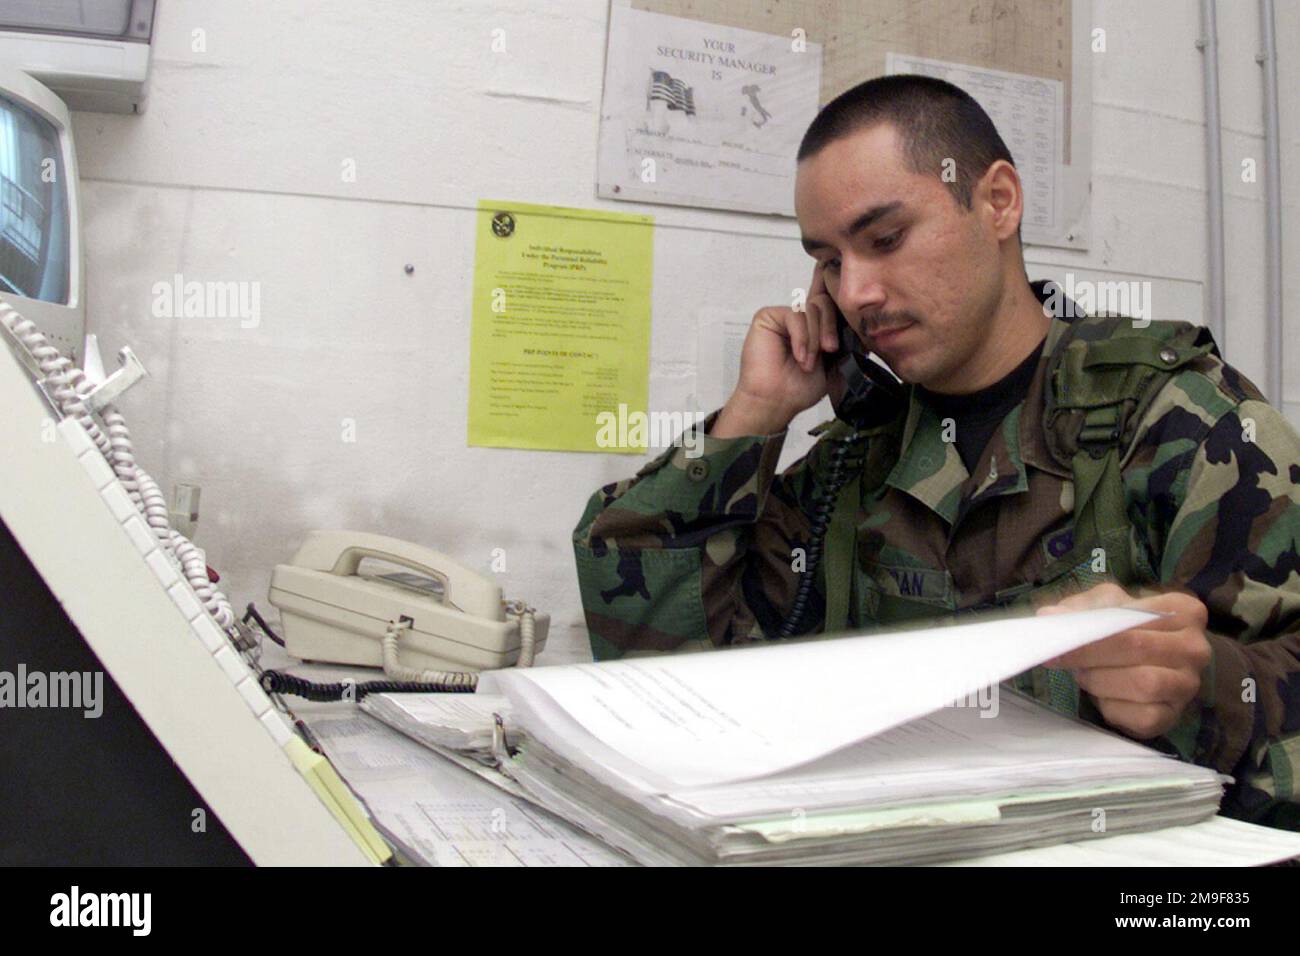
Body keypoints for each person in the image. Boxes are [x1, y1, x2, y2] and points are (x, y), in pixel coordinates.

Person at [572, 75, 1300, 828]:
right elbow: (656, 668)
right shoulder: (856, 463)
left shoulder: (1174, 419)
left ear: (998, 202)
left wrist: (1210, 685)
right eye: (828, 261)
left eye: (885, 240)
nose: (855, 292)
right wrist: (753, 416)